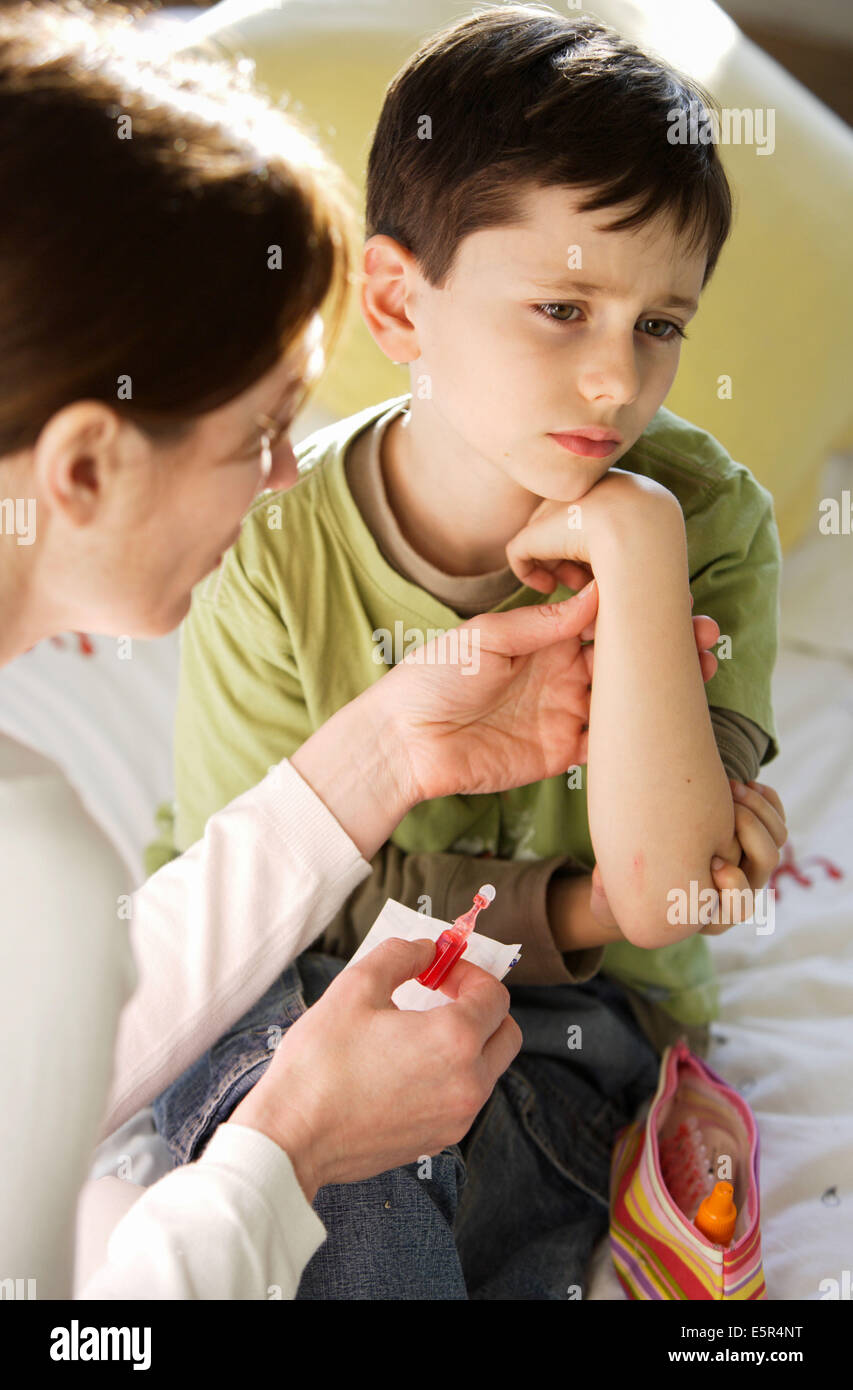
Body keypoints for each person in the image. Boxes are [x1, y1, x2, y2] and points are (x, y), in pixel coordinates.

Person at [0, 0, 646, 1301]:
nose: (290, 471)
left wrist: (378, 756)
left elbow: (38, 1072)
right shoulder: (39, 858)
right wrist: (288, 1148)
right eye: (263, 426)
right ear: (84, 465)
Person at [148, 7, 788, 1298]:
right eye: (561, 308)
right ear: (398, 299)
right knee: (309, 1145)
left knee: (480, 1146)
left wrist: (638, 545)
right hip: (299, 995)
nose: (616, 379)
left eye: (659, 324)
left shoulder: (701, 522)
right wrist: (567, 906)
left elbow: (663, 898)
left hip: (573, 1026)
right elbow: (251, 916)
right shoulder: (276, 548)